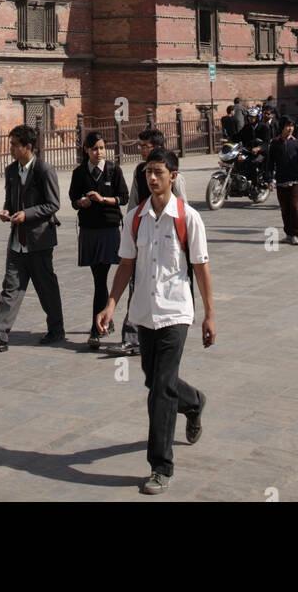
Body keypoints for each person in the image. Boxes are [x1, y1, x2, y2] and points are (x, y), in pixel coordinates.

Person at [97, 148, 214, 496]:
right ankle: (194, 402)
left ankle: (160, 466)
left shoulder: (188, 218)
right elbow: (126, 265)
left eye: (159, 172)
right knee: (155, 380)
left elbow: (201, 268)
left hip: (177, 314)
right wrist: (111, 305)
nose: (152, 178)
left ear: (173, 177)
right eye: (148, 171)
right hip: (145, 314)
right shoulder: (135, 217)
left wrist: (210, 314)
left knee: (160, 391)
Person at [0, 125, 65, 351]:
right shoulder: (11, 171)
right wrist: (6, 212)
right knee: (10, 288)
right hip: (17, 240)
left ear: (28, 147)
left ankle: (56, 329)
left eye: (14, 145)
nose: (11, 149)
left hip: (39, 240)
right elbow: (10, 200)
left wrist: (26, 215)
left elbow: (53, 204)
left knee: (45, 287)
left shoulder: (44, 171)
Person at [114, 129, 186, 357]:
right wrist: (131, 229)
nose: (141, 150)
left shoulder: (174, 174)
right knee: (137, 286)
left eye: (144, 146)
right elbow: (134, 203)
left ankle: (164, 331)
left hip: (167, 239)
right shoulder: (139, 171)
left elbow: (182, 207)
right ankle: (132, 336)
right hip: (144, 233)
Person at [68, 132, 129, 349]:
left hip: (109, 228)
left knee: (100, 278)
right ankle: (107, 321)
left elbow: (123, 197)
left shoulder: (113, 170)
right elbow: (72, 198)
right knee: (99, 277)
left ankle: (97, 329)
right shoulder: (80, 173)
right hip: (89, 229)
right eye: (95, 149)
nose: (99, 152)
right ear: (86, 150)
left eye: (102, 148)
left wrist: (103, 199)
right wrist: (81, 202)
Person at [265, 116, 298, 243]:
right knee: (285, 209)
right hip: (281, 181)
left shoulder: (297, 144)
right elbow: (270, 163)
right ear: (282, 127)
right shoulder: (274, 144)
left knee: (294, 207)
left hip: (295, 181)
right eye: (288, 126)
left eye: (292, 126)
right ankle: (288, 233)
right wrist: (269, 179)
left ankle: (295, 233)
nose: (290, 129)